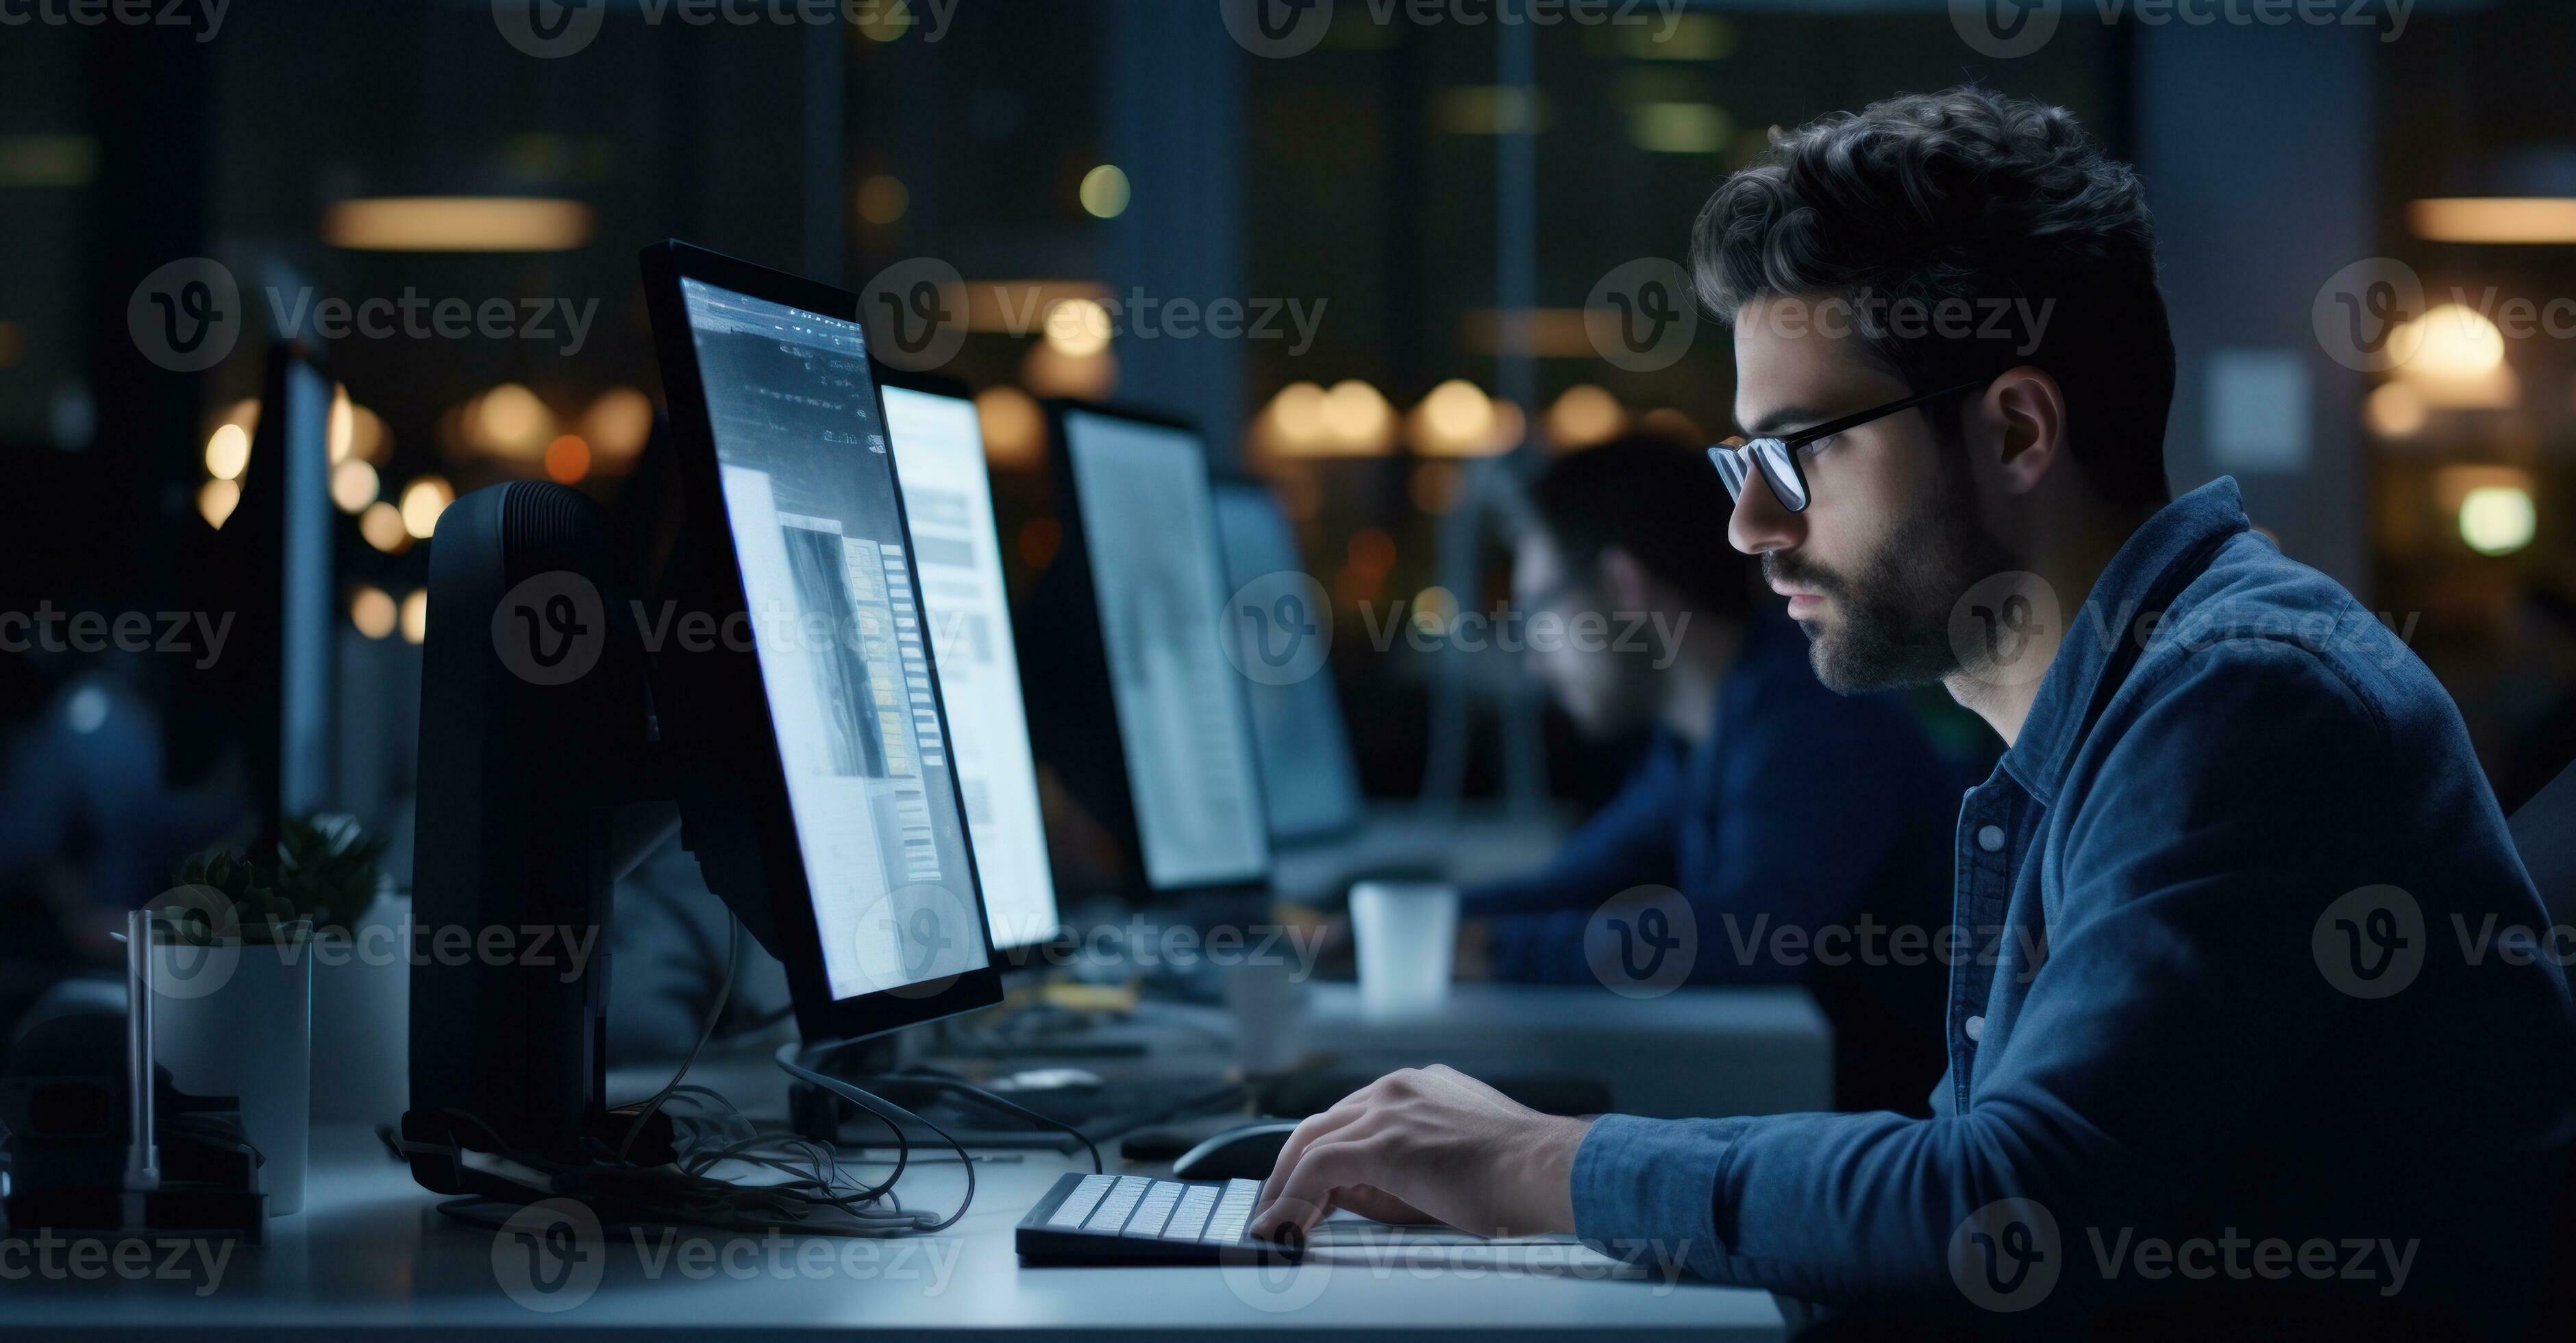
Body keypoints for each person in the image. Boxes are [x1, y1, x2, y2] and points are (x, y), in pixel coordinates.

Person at [1251, 86, 2576, 1335]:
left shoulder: (2247, 700)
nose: (1750, 526)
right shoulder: (2100, 724)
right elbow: (1961, 1171)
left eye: (1796, 454)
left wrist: (1539, 1162)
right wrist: (1535, 1166)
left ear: (2013, 433)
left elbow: (2001, 1207)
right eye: (1738, 461)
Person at [1465, 435, 1963, 1114]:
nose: (1532, 660)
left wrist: (1491, 950)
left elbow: (1747, 934)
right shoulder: (1701, 734)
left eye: (1534, 612)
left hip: (1904, 1149)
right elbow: (1577, 881)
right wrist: (1397, 925)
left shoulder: (1811, 717)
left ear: (1623, 584)